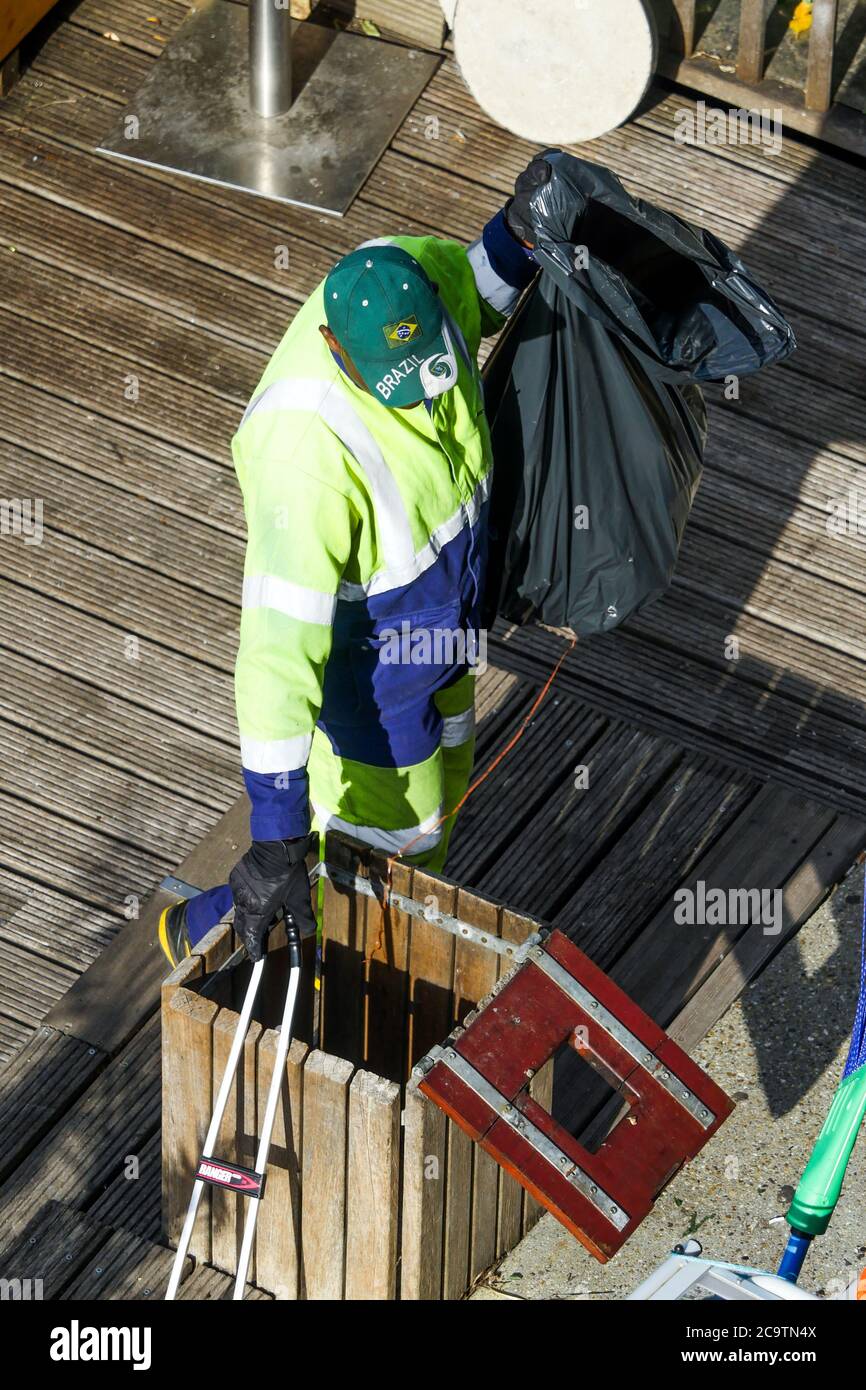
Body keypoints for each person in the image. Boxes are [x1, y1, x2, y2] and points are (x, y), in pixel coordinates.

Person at [158, 158, 551, 969]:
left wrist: (518, 233)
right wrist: (274, 837)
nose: (428, 394)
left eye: (436, 366)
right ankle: (246, 942)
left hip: (447, 628)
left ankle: (380, 924)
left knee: (446, 783)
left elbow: (475, 288)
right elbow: (275, 655)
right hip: (371, 679)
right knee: (385, 849)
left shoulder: (406, 276)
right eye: (400, 387)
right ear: (336, 349)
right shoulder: (304, 461)